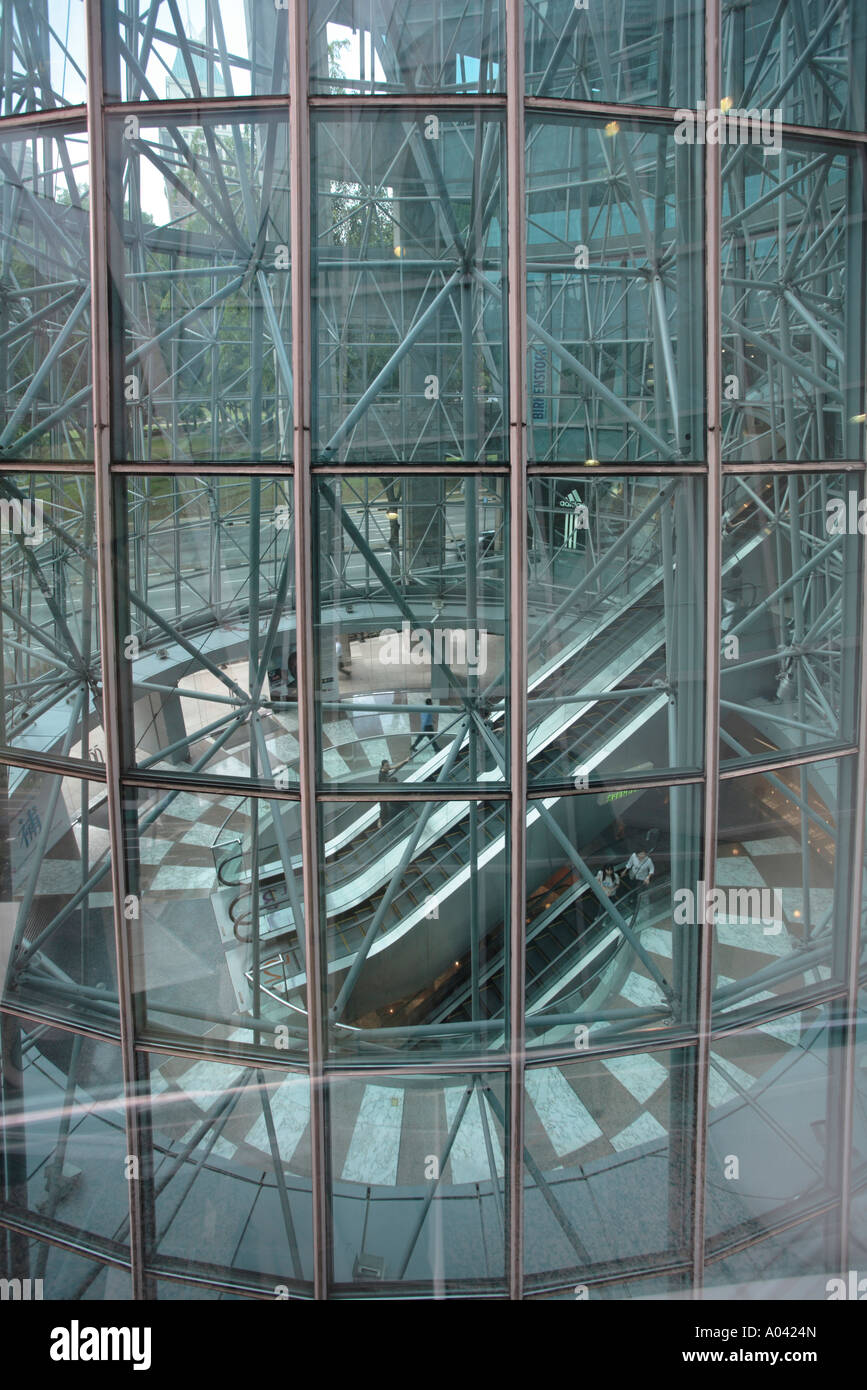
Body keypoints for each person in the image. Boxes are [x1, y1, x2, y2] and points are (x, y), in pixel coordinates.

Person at [378, 756, 409, 828]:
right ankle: (380, 821)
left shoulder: (385, 769)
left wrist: (404, 761)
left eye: (388, 765)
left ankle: (380, 821)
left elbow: (395, 766)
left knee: (384, 806)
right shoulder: (382, 774)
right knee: (383, 806)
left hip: (387, 789)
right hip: (383, 792)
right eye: (386, 766)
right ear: (382, 766)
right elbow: (382, 785)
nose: (388, 767)